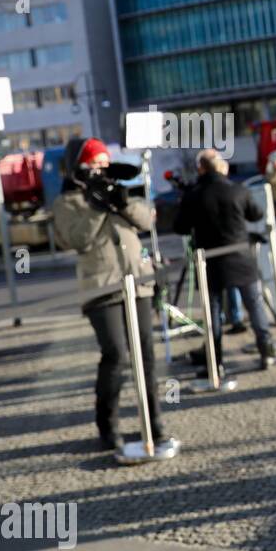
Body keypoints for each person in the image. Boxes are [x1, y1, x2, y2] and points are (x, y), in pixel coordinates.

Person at [51, 137, 174, 451]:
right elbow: (78, 240)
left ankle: (154, 419)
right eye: (95, 164)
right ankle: (108, 424)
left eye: (104, 163)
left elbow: (147, 220)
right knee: (116, 355)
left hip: (139, 284)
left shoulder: (118, 189)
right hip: (101, 288)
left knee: (145, 355)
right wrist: (96, 207)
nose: (101, 169)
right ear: (80, 166)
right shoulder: (67, 202)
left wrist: (120, 200)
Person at [172, 149, 276, 373]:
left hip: (210, 261)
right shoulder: (238, 190)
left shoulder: (194, 194)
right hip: (241, 256)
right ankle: (266, 349)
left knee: (214, 313)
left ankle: (216, 360)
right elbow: (256, 214)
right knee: (254, 304)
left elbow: (180, 227)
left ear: (201, 168)